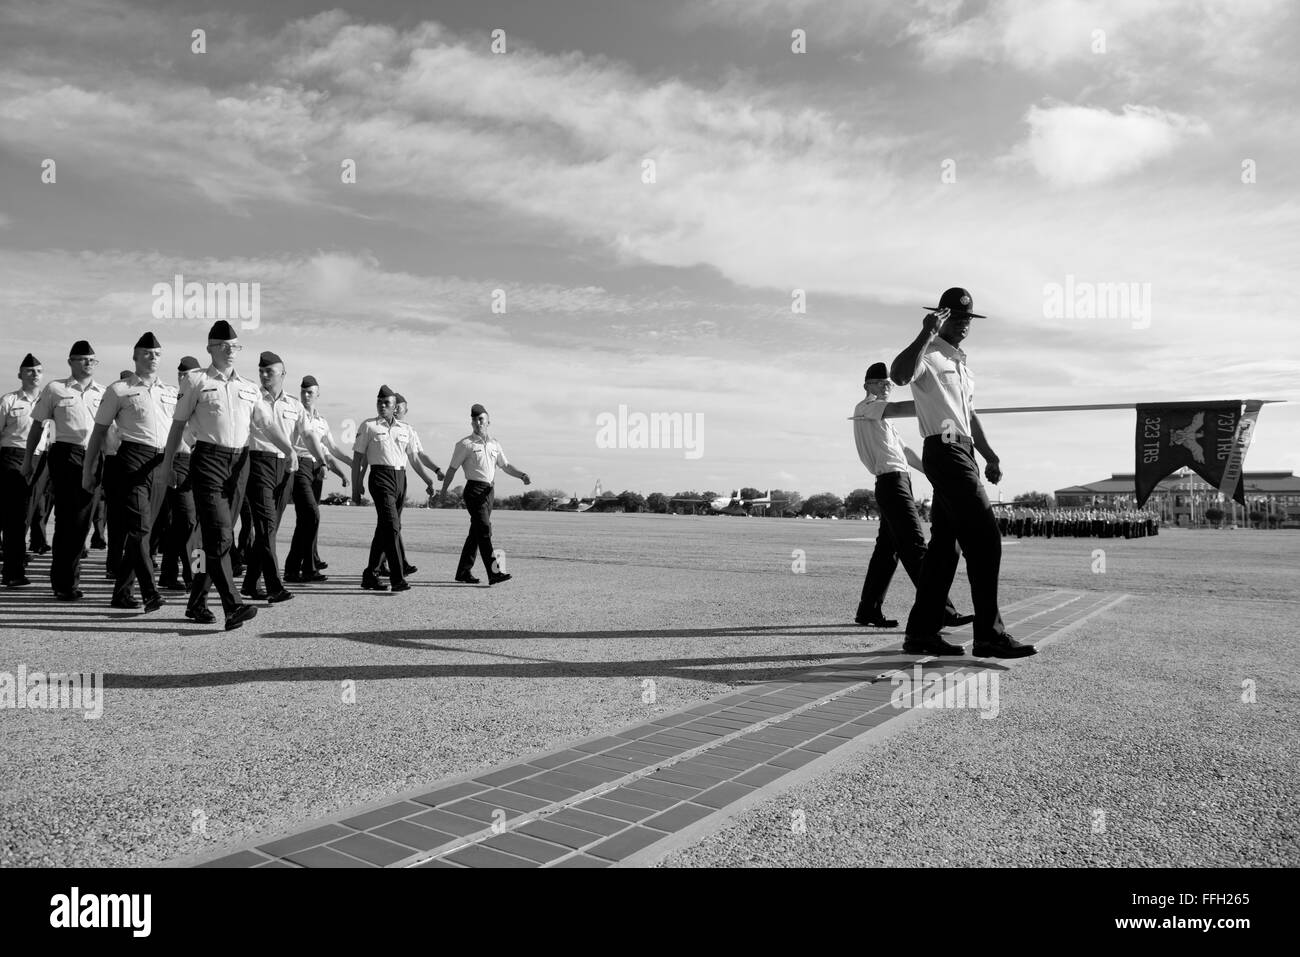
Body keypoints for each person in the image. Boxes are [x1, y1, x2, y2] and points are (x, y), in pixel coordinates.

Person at [890, 288, 1035, 658]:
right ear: (940, 317)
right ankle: (989, 635)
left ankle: (921, 633)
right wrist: (925, 333)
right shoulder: (929, 355)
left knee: (944, 549)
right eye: (956, 317)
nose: (964, 323)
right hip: (944, 449)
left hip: (963, 450)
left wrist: (990, 455)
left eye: (968, 318)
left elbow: (969, 416)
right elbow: (899, 374)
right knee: (986, 538)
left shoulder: (962, 365)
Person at [161, 321, 293, 630]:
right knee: (221, 535)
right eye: (224, 346)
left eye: (235, 346)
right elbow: (177, 425)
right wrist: (167, 467)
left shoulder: (247, 387)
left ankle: (196, 603)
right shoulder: (195, 381)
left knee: (215, 539)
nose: (230, 351)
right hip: (208, 460)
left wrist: (288, 450)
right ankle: (232, 606)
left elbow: (267, 424)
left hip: (240, 464)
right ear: (210, 349)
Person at [851, 361, 974, 630]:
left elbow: (906, 453)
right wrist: (941, 403)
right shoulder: (867, 407)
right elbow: (901, 408)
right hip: (891, 483)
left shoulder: (885, 422)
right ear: (867, 386)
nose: (886, 386)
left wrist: (931, 472)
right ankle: (942, 610)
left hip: (898, 481)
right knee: (916, 547)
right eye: (881, 383)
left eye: (889, 384)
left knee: (887, 550)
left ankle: (868, 610)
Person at [82, 334, 172, 612]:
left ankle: (121, 593)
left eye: (156, 353)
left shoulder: (170, 391)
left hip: (160, 463)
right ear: (135, 357)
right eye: (146, 353)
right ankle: (150, 592)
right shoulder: (119, 389)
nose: (152, 357)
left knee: (143, 532)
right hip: (132, 458)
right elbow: (98, 431)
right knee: (140, 529)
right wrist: (89, 470)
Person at [23, 340, 105, 600]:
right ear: (70, 361)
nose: (88, 363)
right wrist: (27, 460)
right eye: (82, 359)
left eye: (92, 360)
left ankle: (68, 577)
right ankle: (64, 583)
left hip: (94, 457)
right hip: (66, 454)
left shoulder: (103, 392)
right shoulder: (55, 388)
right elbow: (37, 426)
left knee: (83, 522)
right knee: (67, 520)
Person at [352, 385, 438, 592]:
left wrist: (428, 480)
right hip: (380, 476)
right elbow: (358, 459)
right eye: (379, 402)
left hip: (400, 478)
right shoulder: (368, 426)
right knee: (392, 527)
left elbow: (414, 459)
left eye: (386, 403)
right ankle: (397, 578)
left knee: (385, 528)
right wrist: (356, 486)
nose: (382, 405)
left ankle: (370, 576)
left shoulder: (405, 429)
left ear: (394, 407)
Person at [439, 403, 530, 586]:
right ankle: (494, 572)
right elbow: (451, 469)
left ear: (488, 421)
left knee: (476, 532)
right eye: (474, 419)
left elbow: (505, 466)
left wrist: (521, 475)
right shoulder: (465, 444)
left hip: (489, 492)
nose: (477, 422)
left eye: (481, 419)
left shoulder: (495, 444)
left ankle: (463, 572)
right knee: (484, 530)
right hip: (474, 490)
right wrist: (443, 491)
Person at [238, 351, 301, 604]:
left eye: (270, 371)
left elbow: (304, 434)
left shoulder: (293, 404)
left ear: (283, 374)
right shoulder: (252, 395)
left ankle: (251, 584)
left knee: (269, 529)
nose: (264, 375)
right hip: (257, 462)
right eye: (261, 370)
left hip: (284, 467)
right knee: (264, 525)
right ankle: (275, 585)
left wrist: (320, 458)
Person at [284, 374, 351, 583]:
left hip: (317, 469)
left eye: (310, 392)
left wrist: (351, 463)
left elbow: (331, 448)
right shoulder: (295, 413)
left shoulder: (322, 421)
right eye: (303, 391)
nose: (305, 395)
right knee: (311, 515)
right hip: (300, 465)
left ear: (318, 394)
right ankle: (300, 567)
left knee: (307, 519)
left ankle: (301, 568)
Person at [157, 356, 201, 591]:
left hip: (198, 462)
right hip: (177, 460)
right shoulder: (171, 397)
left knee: (180, 524)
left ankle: (168, 574)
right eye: (182, 375)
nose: (185, 379)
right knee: (190, 522)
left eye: (190, 375)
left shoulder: (201, 395)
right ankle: (195, 574)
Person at [0, 353, 44, 586]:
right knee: (14, 516)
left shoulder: (48, 402)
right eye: (29, 370)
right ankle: (12, 572)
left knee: (31, 515)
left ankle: (16, 561)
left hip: (41, 459)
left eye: (38, 370)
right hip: (13, 457)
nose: (34, 374)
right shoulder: (9, 401)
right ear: (20, 375)